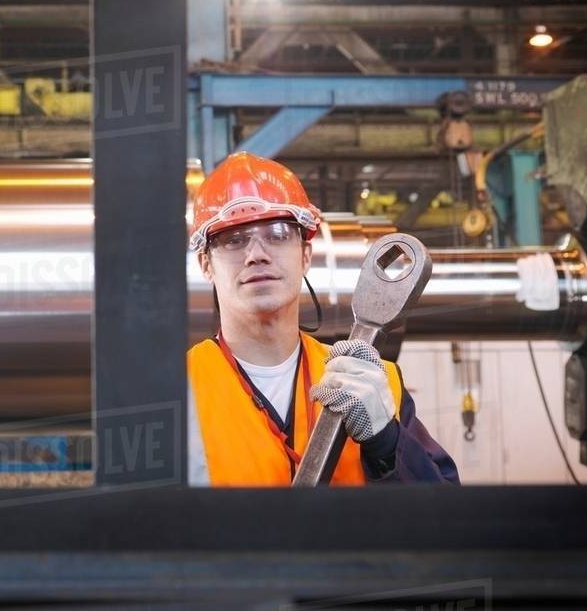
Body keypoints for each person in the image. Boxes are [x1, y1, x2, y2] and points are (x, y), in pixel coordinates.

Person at [186, 152, 459, 486]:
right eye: (233, 239)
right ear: (205, 265)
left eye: (277, 234)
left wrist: (387, 443)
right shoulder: (178, 392)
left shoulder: (375, 383)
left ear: (305, 255)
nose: (256, 254)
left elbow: (442, 522)